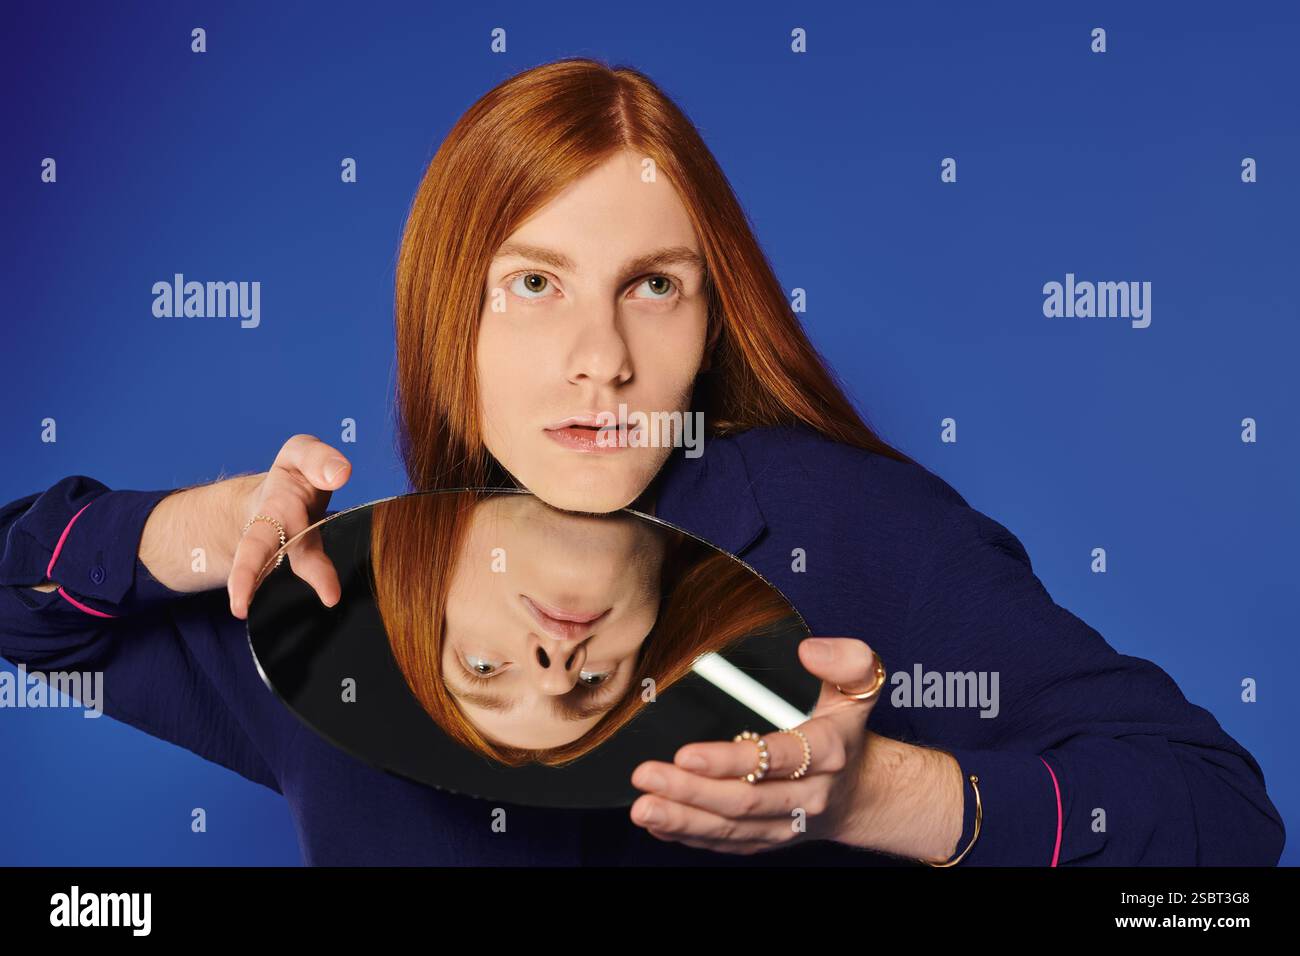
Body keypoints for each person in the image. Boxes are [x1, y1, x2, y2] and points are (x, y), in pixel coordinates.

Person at [0, 57, 1284, 866]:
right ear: (450, 316)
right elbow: (23, 620)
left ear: (711, 318)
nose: (598, 358)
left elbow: (1223, 830)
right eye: (535, 284)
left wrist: (875, 792)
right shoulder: (336, 607)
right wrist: (181, 528)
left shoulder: (837, 525)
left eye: (652, 286)